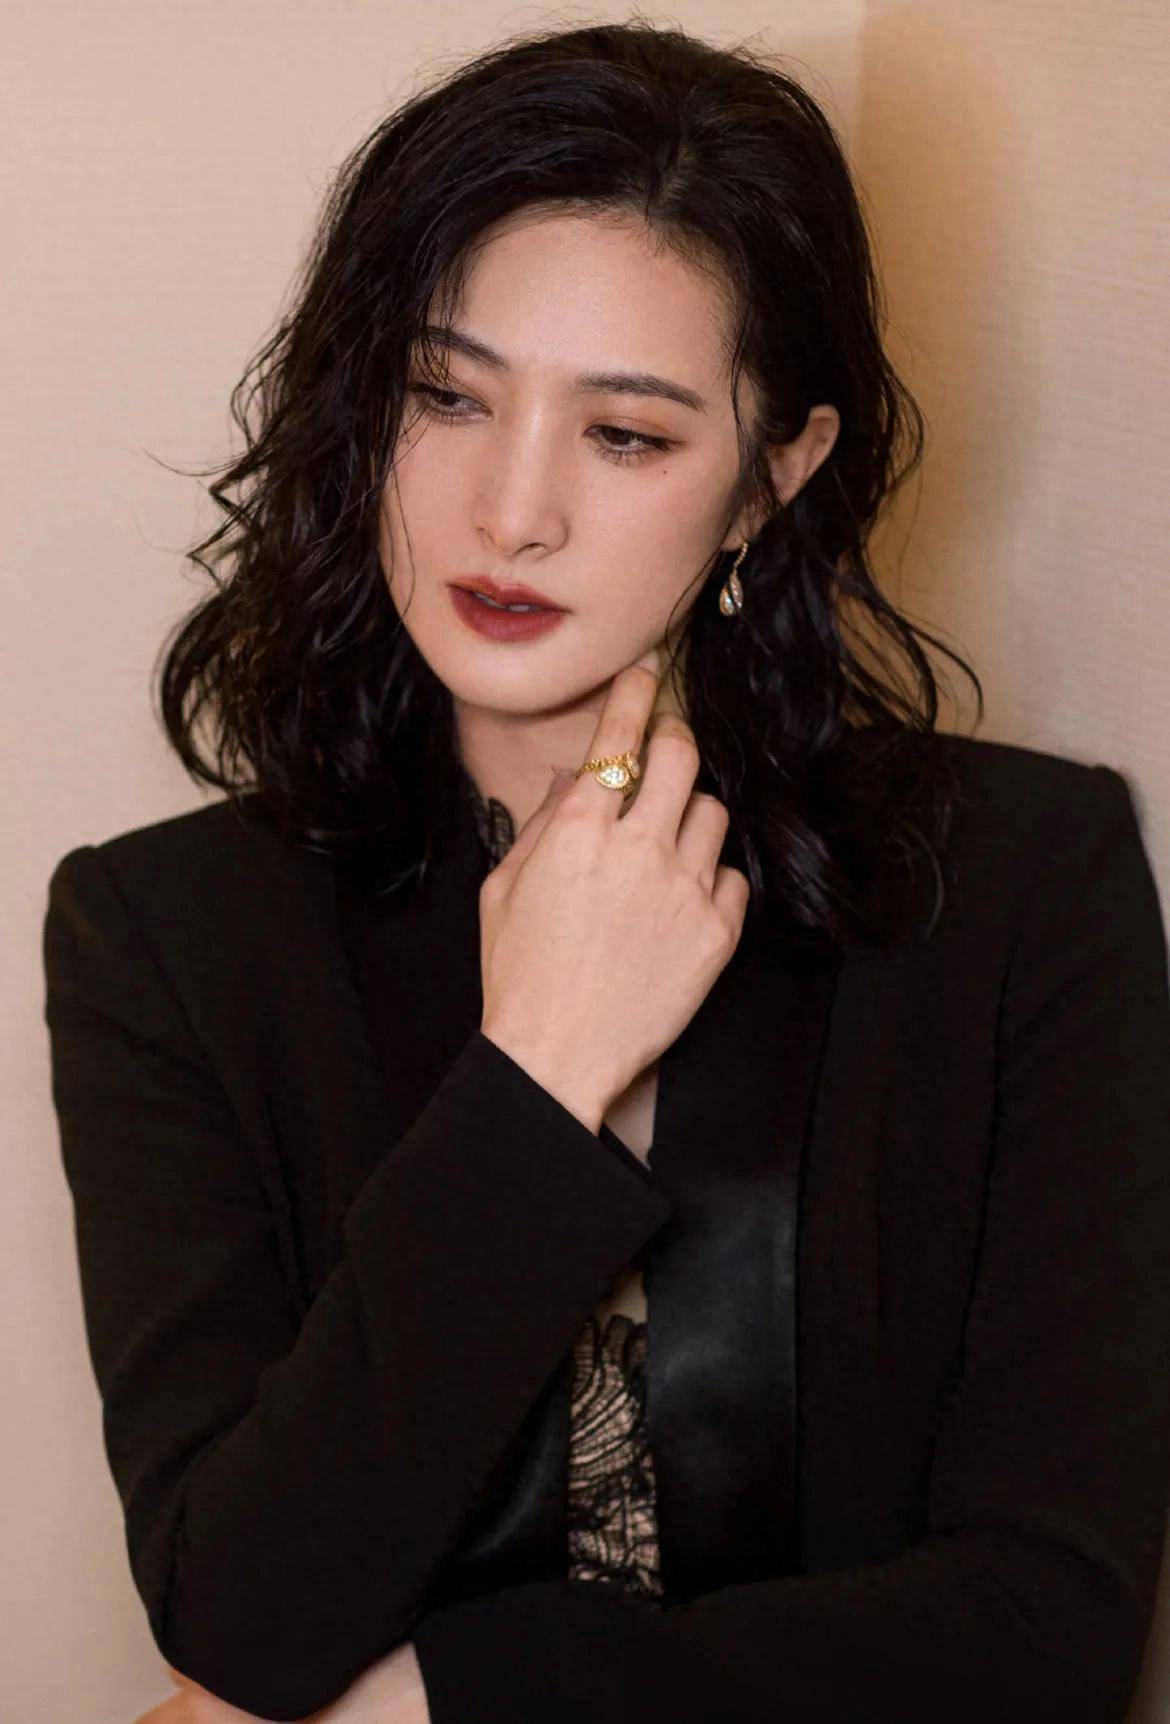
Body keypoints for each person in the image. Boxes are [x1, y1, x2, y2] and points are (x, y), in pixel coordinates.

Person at [41, 18, 1170, 1724]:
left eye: (626, 434)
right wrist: (535, 1073)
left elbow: (1048, 1628)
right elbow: (243, 1617)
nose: (511, 512)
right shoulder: (164, 933)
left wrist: (451, 1699)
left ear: (771, 478)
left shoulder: (1019, 885)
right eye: (445, 396)